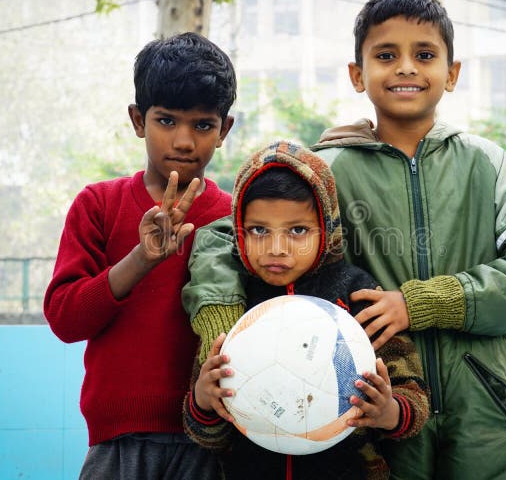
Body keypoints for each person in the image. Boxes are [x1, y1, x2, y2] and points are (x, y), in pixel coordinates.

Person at [182, 0, 506, 480]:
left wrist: (420, 303)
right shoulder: (330, 168)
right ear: (357, 74)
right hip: (379, 420)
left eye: (424, 55)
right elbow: (223, 236)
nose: (406, 67)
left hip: (486, 409)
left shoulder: (484, 163)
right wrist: (225, 331)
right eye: (387, 55)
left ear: (452, 73)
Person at [43, 32, 236, 480]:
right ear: (137, 120)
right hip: (118, 444)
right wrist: (141, 259)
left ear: (224, 130)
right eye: (166, 121)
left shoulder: (235, 216)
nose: (184, 141)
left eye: (203, 125)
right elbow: (65, 320)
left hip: (210, 435)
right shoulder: (98, 205)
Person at [183, 141, 429, 480]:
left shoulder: (357, 296)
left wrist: (389, 412)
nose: (277, 248)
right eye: (259, 230)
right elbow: (206, 434)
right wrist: (202, 401)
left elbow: (415, 398)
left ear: (326, 227)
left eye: (297, 230)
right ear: (239, 229)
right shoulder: (236, 308)